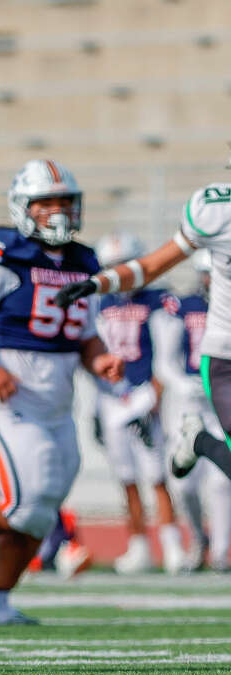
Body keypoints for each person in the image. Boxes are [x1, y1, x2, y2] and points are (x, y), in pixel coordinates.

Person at [0, 159, 124, 625]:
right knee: (24, 496)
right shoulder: (4, 251)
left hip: (57, 401)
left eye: (65, 202)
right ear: (24, 208)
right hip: (0, 399)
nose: (57, 211)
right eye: (46, 202)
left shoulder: (85, 261)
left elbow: (83, 332)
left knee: (39, 512)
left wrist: (98, 357)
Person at [56, 171, 231, 541]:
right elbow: (152, 266)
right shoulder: (216, 209)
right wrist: (98, 282)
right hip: (224, 356)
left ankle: (202, 442)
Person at [90, 232, 187, 574]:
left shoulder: (157, 300)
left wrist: (155, 396)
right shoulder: (99, 304)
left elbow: (167, 354)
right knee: (127, 478)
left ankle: (173, 544)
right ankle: (139, 545)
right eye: (112, 267)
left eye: (123, 265)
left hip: (143, 395)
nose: (118, 273)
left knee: (156, 475)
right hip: (111, 399)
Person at [152, 250, 231, 570]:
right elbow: (164, 360)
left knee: (222, 482)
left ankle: (222, 552)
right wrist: (184, 384)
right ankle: (199, 540)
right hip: (187, 402)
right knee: (183, 483)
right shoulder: (182, 308)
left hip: (222, 396)